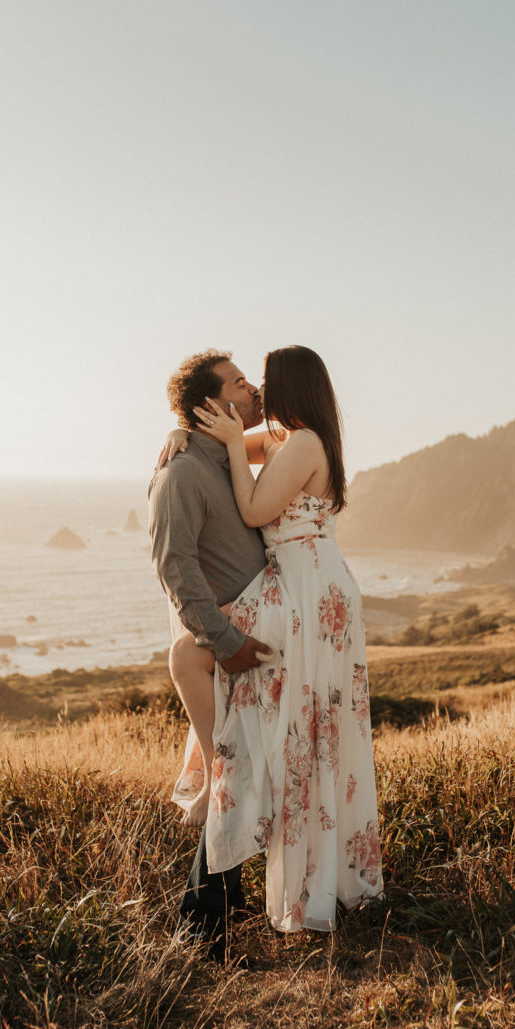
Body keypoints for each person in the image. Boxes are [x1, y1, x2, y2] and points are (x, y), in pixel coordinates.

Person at [161, 345, 383, 934]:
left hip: (305, 587)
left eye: (260, 382)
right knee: (303, 729)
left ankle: (219, 780)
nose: (256, 391)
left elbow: (257, 509)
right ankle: (225, 783)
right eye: (243, 383)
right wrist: (182, 435)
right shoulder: (290, 438)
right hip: (301, 583)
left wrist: (233, 444)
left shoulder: (305, 443)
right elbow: (215, 440)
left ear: (287, 385)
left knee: (191, 654)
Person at [148, 349, 272, 958]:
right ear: (207, 404)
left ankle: (227, 910)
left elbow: (289, 409)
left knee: (245, 769)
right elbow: (176, 567)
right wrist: (227, 645)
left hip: (261, 636)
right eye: (239, 382)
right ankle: (200, 931)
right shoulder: (180, 474)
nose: (251, 390)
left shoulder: (229, 455)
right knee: (234, 770)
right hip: (233, 647)